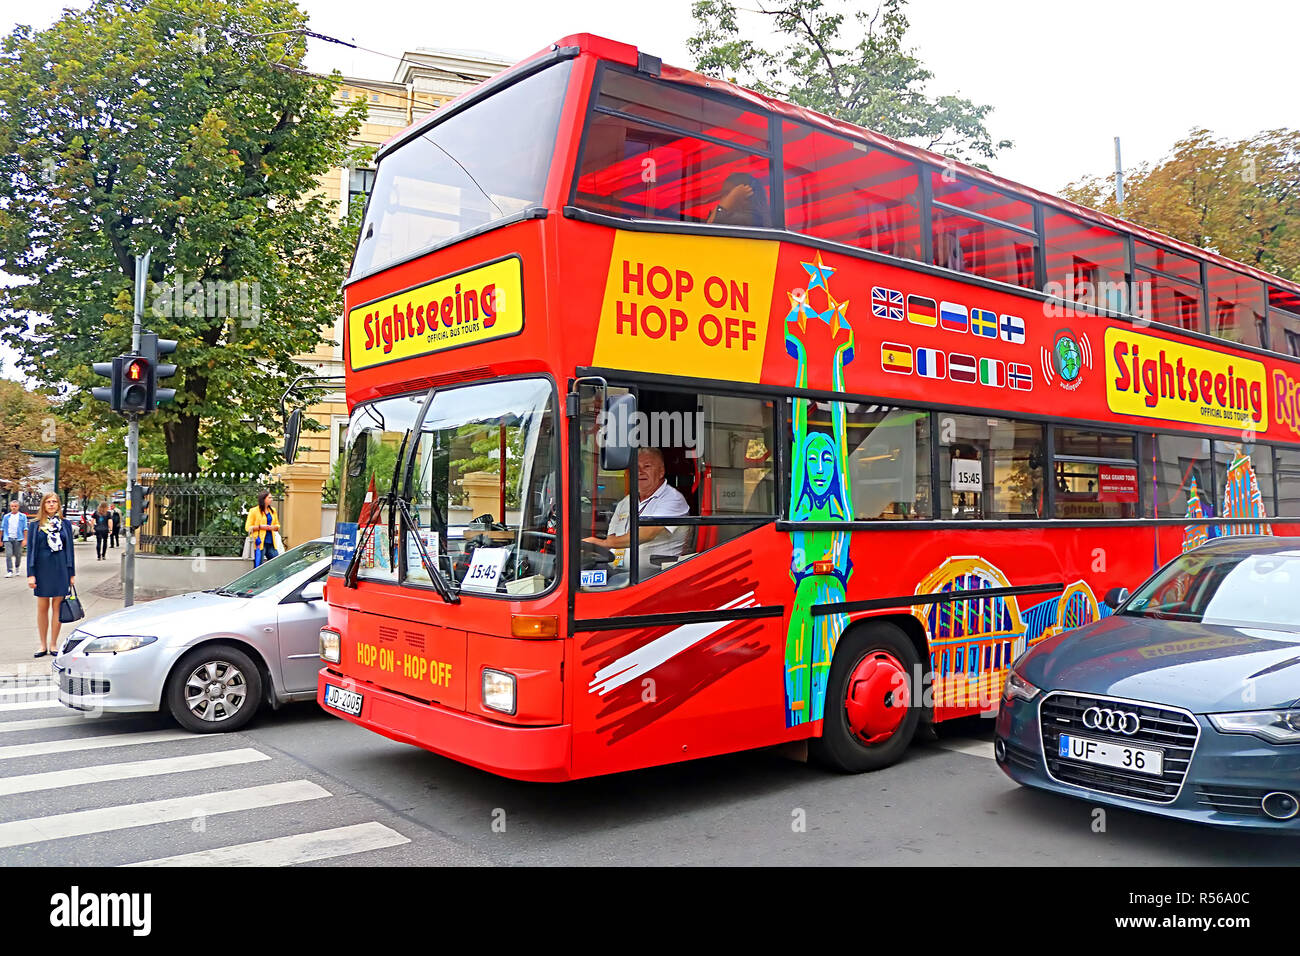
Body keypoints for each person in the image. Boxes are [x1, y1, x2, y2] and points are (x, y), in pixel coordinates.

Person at [584, 447, 691, 575]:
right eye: (636, 467)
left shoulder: (672, 499)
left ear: (661, 471)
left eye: (647, 466)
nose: (640, 472)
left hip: (654, 576)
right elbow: (612, 538)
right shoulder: (625, 502)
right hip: (617, 571)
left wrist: (601, 543)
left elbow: (647, 533)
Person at [27, 492, 75, 658]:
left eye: (54, 501)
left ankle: (53, 644)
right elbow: (31, 551)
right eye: (48, 502)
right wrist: (31, 574)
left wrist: (71, 573)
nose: (52, 504)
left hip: (61, 568)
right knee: (42, 607)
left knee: (57, 607)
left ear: (58, 505)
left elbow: (70, 550)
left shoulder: (65, 524)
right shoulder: (35, 525)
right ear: (43, 505)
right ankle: (42, 645)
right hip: (41, 569)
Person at [245, 492, 281, 567]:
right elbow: (248, 527)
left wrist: (273, 527)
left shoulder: (273, 510)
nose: (272, 499)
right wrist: (260, 527)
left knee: (278, 564)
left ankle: (281, 579)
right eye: (269, 498)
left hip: (271, 542)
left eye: (271, 497)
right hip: (260, 542)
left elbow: (277, 525)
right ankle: (257, 579)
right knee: (259, 565)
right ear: (263, 499)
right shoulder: (254, 511)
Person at [3, 500, 28, 579]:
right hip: (8, 538)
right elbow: (2, 528)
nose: (13, 508)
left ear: (18, 507)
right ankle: (9, 571)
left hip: (18, 538)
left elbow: (25, 528)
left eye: (15, 506)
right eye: (12, 506)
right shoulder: (6, 516)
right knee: (8, 555)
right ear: (10, 507)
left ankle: (17, 567)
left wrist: (25, 539)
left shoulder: (22, 516)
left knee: (18, 555)